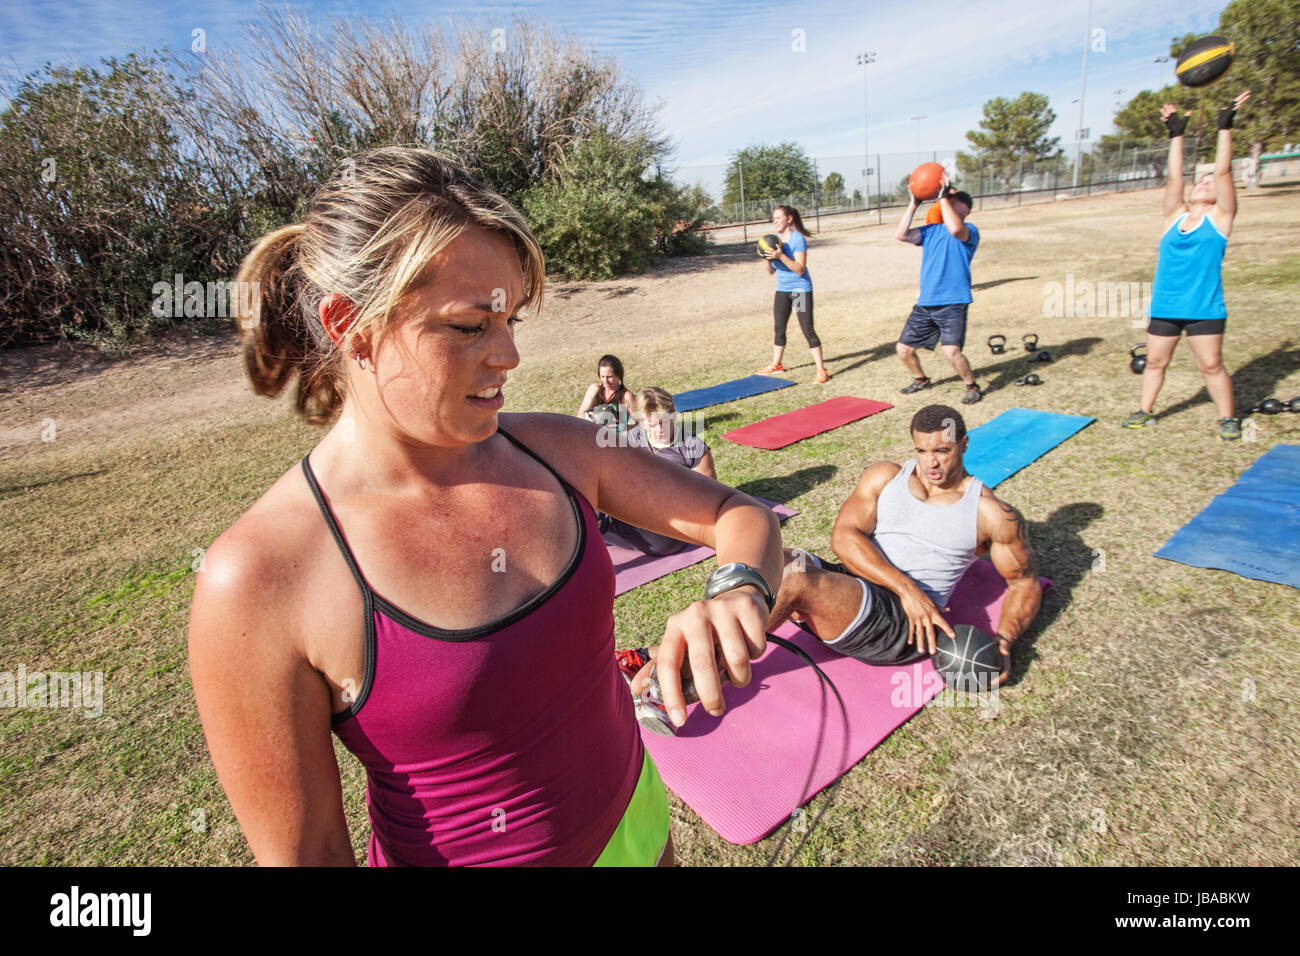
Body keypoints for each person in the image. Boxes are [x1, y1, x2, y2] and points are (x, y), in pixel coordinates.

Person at [186, 146, 783, 867]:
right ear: (351, 325)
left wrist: (735, 586)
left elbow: (738, 516)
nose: (508, 356)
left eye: (512, 323)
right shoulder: (260, 575)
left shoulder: (563, 449)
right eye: (470, 326)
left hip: (639, 831)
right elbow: (309, 853)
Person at [628, 405, 1041, 702]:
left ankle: (679, 686)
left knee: (796, 581)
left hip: (902, 626)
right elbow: (843, 537)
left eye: (943, 452)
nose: (930, 463)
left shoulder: (992, 515)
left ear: (965, 444)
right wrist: (906, 586)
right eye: (922, 451)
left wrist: (1004, 640)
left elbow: (1023, 581)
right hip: (871, 588)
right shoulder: (886, 477)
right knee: (774, 558)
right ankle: (666, 654)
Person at [1123, 91, 1251, 441]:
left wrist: (1225, 127)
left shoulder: (1221, 219)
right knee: (1154, 362)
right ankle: (1144, 411)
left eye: (1211, 182)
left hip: (1203, 307)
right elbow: (1174, 178)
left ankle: (1227, 417)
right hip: (1165, 306)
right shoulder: (1173, 217)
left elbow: (1223, 170)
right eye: (1202, 180)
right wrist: (1176, 135)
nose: (1205, 182)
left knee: (1210, 365)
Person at [893, 175, 983, 405]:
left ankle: (971, 385)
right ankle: (921, 379)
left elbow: (955, 229)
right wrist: (913, 203)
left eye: (955, 201)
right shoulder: (931, 231)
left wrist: (944, 196)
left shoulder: (969, 231)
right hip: (926, 302)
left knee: (951, 351)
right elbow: (901, 234)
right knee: (903, 349)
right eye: (947, 200)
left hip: (953, 301)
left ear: (966, 209)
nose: (950, 203)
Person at [599, 387, 717, 556]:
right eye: (653, 424)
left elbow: (709, 501)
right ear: (641, 421)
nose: (660, 429)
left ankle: (600, 528)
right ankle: (597, 525)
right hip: (635, 513)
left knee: (662, 543)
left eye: (665, 421)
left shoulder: (693, 447)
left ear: (674, 415)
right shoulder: (630, 440)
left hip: (674, 525)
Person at [758, 205, 830, 383]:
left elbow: (799, 269)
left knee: (808, 329)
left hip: (800, 290)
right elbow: (770, 272)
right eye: (773, 218)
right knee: (779, 328)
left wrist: (781, 255)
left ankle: (821, 370)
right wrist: (767, 258)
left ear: (789, 219)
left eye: (778, 218)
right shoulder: (774, 240)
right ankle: (776, 365)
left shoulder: (798, 239)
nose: (774, 221)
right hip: (782, 289)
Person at [577, 354, 635, 431]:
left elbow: (639, 424)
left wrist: (621, 426)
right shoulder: (595, 390)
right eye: (602, 377)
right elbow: (579, 417)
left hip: (617, 439)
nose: (606, 381)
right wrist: (588, 419)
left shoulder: (626, 396)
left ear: (619, 375)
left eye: (610, 377)